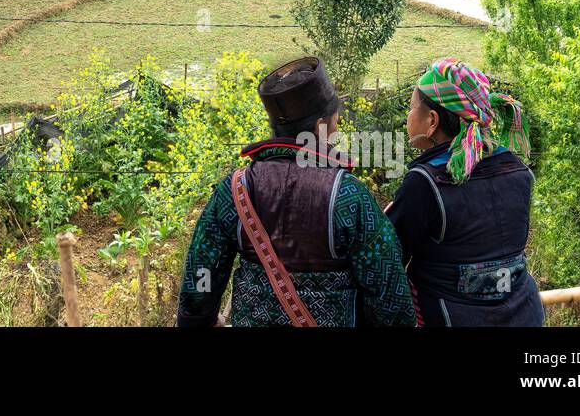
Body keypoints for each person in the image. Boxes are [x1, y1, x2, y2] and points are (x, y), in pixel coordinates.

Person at [177, 56, 416, 327]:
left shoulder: (234, 190)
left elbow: (203, 269)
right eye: (335, 121)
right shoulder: (348, 196)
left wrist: (200, 319)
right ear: (321, 127)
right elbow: (388, 290)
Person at [386, 58, 543, 326]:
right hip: (524, 313)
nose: (407, 116)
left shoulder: (425, 182)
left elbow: (387, 259)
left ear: (432, 120)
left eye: (411, 108)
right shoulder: (518, 169)